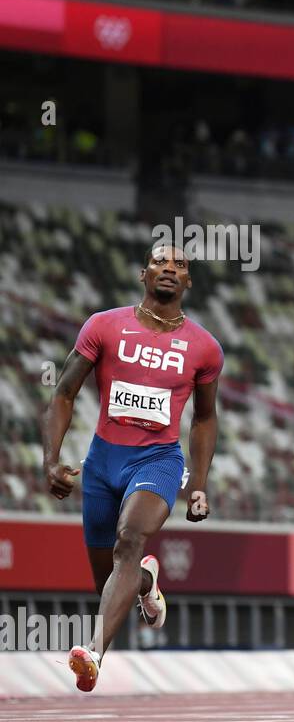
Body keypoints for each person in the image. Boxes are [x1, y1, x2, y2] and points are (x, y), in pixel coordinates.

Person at [42, 243, 223, 692]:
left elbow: (204, 417)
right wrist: (50, 460)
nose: (169, 268)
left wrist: (198, 483)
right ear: (143, 274)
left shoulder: (205, 348)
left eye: (180, 265)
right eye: (160, 261)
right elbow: (63, 394)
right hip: (103, 461)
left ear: (188, 283)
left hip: (158, 460)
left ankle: (92, 655)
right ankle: (145, 581)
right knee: (108, 579)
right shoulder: (103, 326)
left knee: (130, 538)